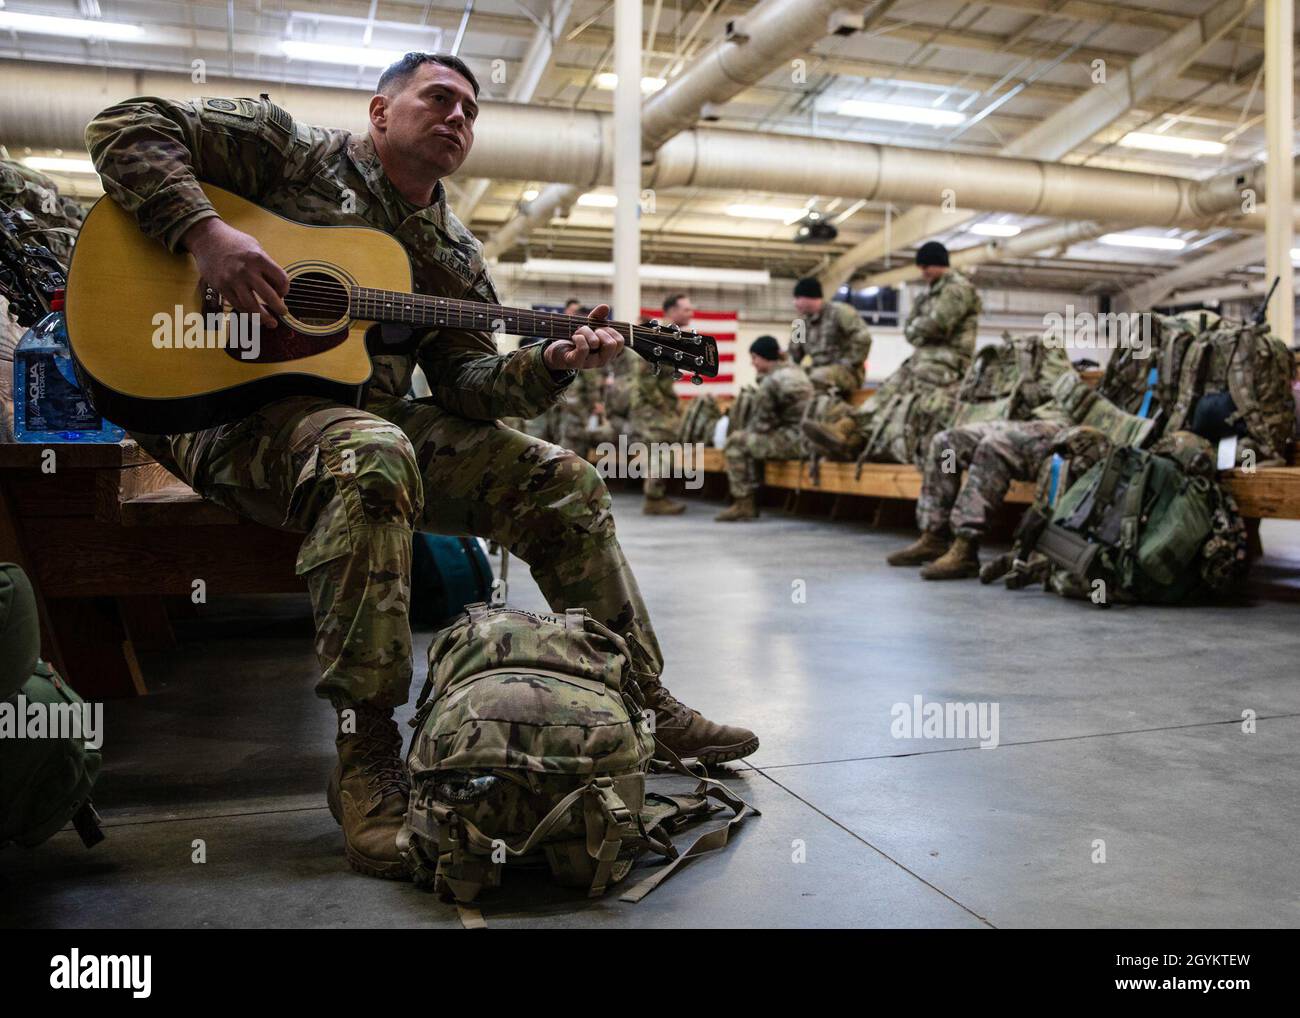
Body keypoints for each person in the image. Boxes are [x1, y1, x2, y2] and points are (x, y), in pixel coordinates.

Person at [85, 53, 758, 880]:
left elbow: (471, 388)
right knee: (375, 452)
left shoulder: (452, 255)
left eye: (472, 112)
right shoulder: (284, 149)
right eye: (439, 98)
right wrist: (206, 233)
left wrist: (548, 365)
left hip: (365, 423)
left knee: (561, 479)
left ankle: (643, 698)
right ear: (380, 110)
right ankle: (366, 752)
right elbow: (123, 126)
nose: (458, 118)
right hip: (224, 411)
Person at [803, 240, 982, 460]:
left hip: (948, 360)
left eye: (925, 266)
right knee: (888, 388)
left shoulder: (957, 288)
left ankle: (859, 436)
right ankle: (847, 429)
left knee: (905, 397)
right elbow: (910, 329)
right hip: (920, 359)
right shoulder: (927, 295)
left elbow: (937, 325)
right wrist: (920, 328)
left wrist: (849, 363)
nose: (922, 271)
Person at [716, 336, 813, 522]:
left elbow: (761, 424)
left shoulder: (772, 382)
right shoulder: (796, 372)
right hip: (807, 439)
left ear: (763, 357)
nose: (753, 364)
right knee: (750, 441)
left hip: (793, 442)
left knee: (737, 442)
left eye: (754, 358)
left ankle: (744, 503)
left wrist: (745, 432)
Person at [629, 294, 694, 515]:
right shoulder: (659, 336)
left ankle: (655, 495)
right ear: (672, 311)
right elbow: (646, 378)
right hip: (651, 406)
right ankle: (654, 498)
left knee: (663, 444)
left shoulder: (671, 336)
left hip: (657, 403)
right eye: (686, 309)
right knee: (661, 444)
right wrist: (664, 406)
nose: (690, 312)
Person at [789, 277, 872, 397]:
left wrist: (848, 363)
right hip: (817, 370)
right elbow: (793, 355)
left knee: (816, 377)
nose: (794, 303)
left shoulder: (840, 312)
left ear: (810, 297)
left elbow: (863, 338)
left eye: (797, 298)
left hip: (846, 373)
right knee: (788, 380)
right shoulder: (799, 324)